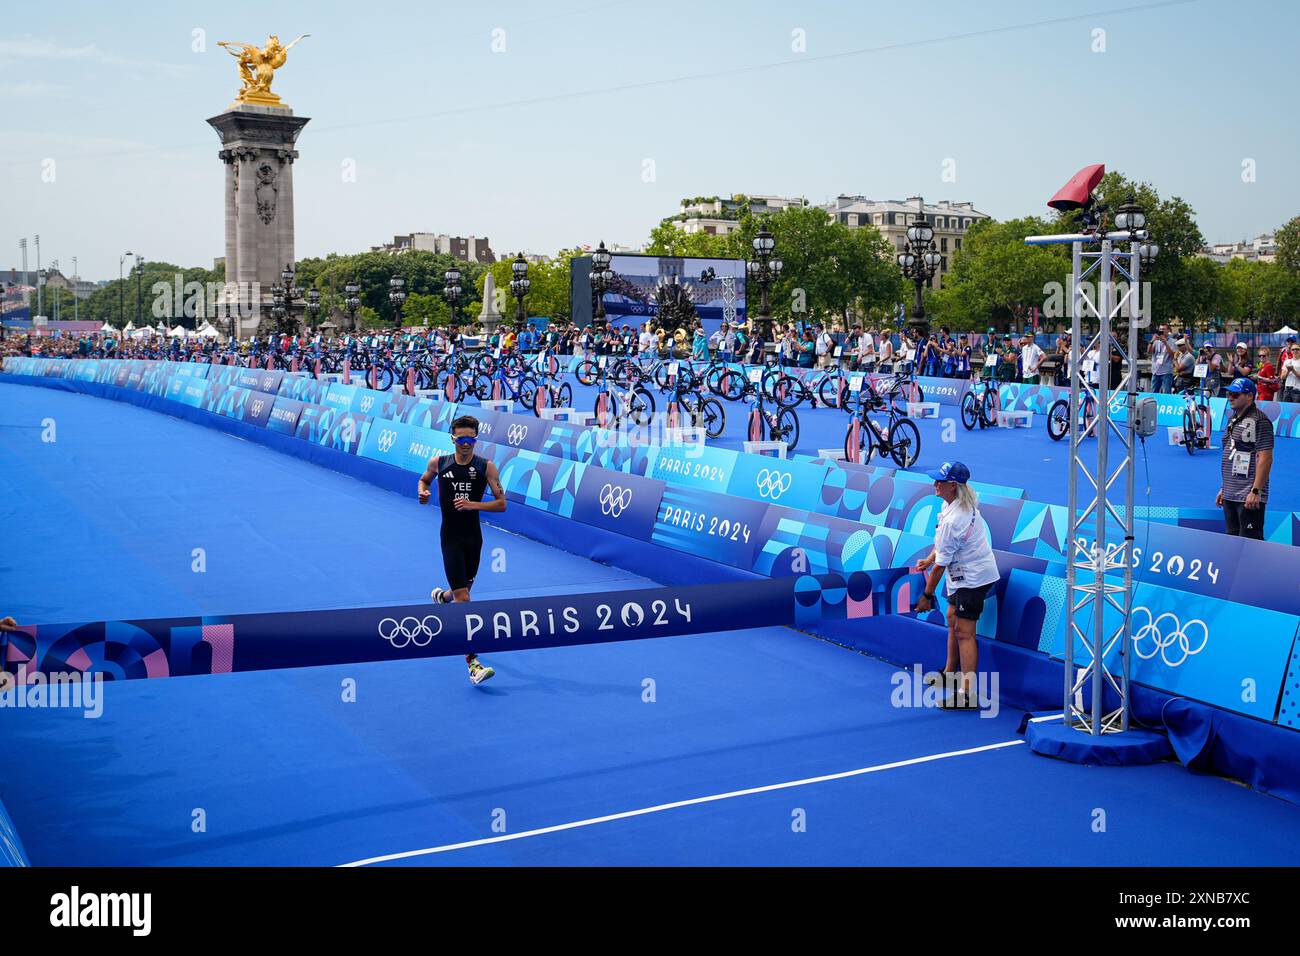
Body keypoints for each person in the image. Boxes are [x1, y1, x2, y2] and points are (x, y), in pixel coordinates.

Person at [417, 415, 508, 685]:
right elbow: (424, 481)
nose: (466, 444)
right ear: (452, 438)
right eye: (461, 439)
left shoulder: (486, 467)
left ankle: (442, 598)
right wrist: (423, 493)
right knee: (465, 599)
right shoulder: (439, 463)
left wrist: (473, 505)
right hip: (450, 538)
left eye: (471, 439)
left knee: (462, 592)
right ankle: (473, 663)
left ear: (476, 439)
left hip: (474, 539)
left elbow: (502, 504)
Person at [913, 461, 1000, 709]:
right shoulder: (952, 505)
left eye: (939, 481)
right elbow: (942, 544)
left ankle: (967, 694)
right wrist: (929, 558)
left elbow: (940, 566)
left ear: (953, 486)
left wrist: (926, 596)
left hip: (973, 579)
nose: (934, 485)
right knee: (952, 619)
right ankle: (950, 674)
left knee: (964, 632)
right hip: (963, 574)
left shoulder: (956, 518)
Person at [1216, 378, 1273, 539]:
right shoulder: (1232, 418)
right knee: (1232, 542)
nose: (1230, 397)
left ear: (1249, 396)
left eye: (1235, 394)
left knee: (1250, 546)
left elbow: (1266, 458)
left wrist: (1256, 491)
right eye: (1229, 393)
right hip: (1230, 493)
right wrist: (1224, 487)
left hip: (1249, 496)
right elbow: (1230, 454)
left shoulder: (1260, 421)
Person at [1148, 326, 1173, 393]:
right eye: (1160, 329)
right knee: (1154, 392)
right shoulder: (1156, 341)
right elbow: (1149, 352)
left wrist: (1166, 343)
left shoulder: (1172, 341)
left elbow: (1173, 355)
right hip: (1155, 371)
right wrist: (1152, 341)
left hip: (1166, 371)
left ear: (1168, 330)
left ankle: (1166, 403)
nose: (1162, 331)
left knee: (1166, 393)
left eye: (1164, 329)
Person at [1280, 336, 1300, 404]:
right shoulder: (1287, 361)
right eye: (1293, 349)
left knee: (1296, 411)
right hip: (1287, 389)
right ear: (1291, 351)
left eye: (1297, 349)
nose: (1295, 351)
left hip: (1297, 389)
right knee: (1286, 410)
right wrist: (1288, 371)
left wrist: (1293, 370)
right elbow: (1282, 377)